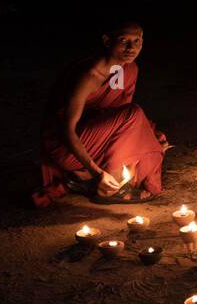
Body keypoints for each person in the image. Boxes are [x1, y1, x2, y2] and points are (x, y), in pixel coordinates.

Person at [32, 20, 168, 207]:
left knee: (146, 132)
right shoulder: (90, 75)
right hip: (69, 146)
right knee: (134, 115)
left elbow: (119, 115)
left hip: (96, 134)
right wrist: (97, 173)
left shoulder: (127, 68)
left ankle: (86, 180)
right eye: (123, 40)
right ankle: (106, 186)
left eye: (137, 41)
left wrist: (148, 132)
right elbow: (67, 131)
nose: (131, 48)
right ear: (107, 41)